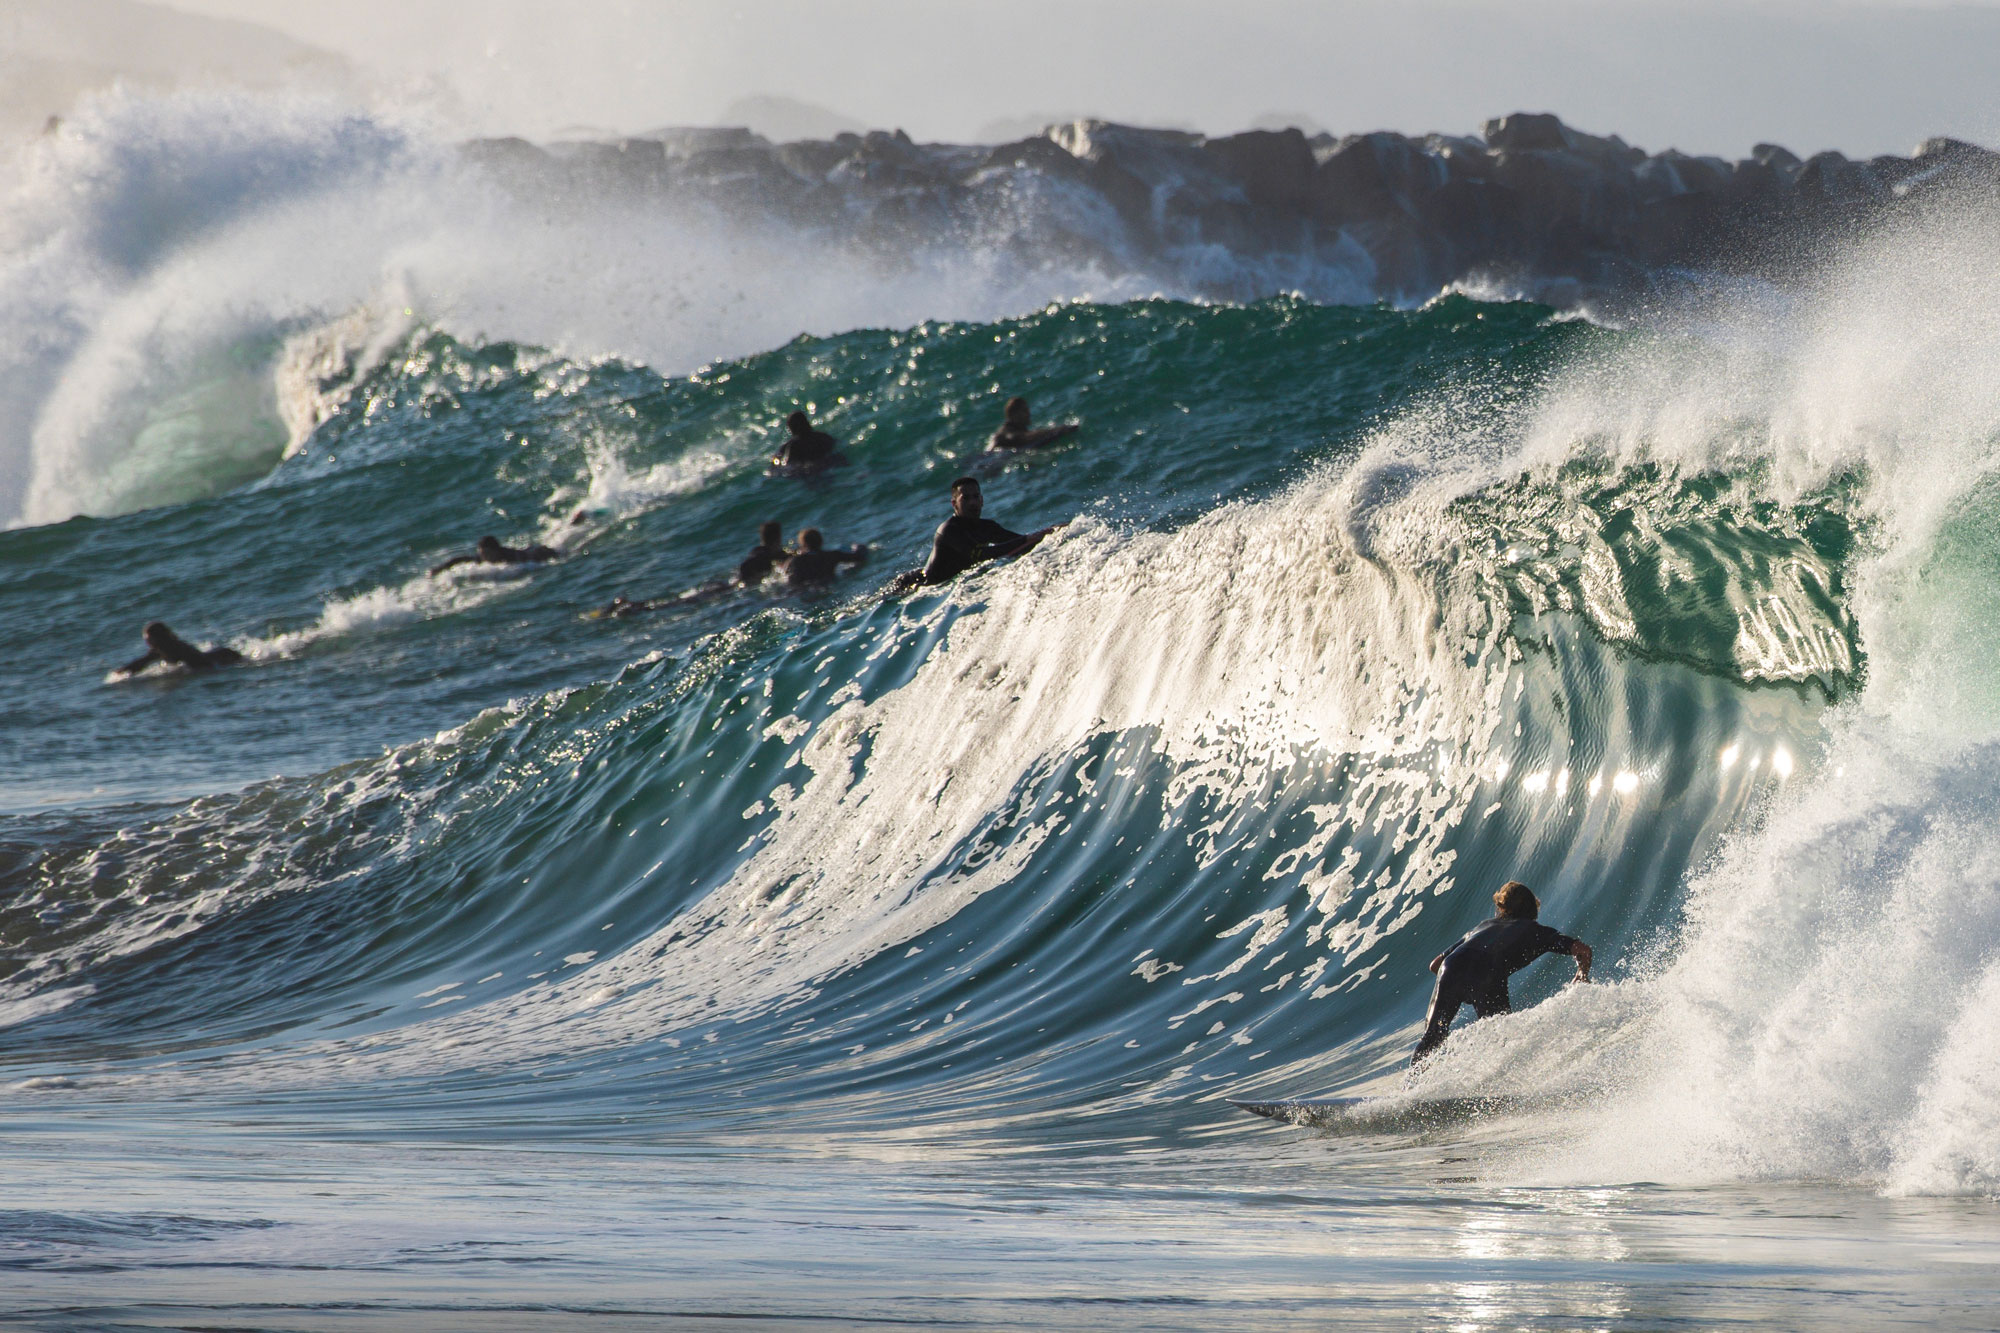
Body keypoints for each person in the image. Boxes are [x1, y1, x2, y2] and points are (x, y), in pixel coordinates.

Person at [1412, 880, 1592, 1065]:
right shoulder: (1536, 932)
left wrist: (1460, 985)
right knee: (1499, 1037)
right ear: (1533, 910)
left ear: (1502, 906)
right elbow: (1582, 950)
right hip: (1487, 969)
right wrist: (1582, 973)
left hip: (1451, 966)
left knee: (1432, 1036)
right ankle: (1496, 1088)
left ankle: (1411, 1088)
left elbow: (1435, 965)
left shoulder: (1482, 926)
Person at [912, 476, 1059, 587]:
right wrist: (1027, 539)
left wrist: (1052, 534)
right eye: (965, 498)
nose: (972, 502)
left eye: (976, 497)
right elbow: (981, 554)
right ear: (954, 504)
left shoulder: (988, 527)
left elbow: (1018, 543)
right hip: (919, 584)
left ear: (982, 500)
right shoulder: (949, 530)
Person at [114, 621, 243, 676]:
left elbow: (203, 664)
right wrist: (120, 673)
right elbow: (142, 662)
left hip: (224, 656)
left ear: (157, 638)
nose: (146, 642)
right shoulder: (160, 649)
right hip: (215, 655)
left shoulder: (176, 648)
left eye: (148, 639)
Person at [430, 535, 560, 576]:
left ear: (494, 550)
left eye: (484, 553)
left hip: (537, 553)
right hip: (529, 552)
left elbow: (529, 564)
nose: (482, 556)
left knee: (561, 551)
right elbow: (460, 559)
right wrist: (441, 568)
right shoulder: (483, 559)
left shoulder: (510, 556)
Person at [785, 527, 869, 588]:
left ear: (803, 545)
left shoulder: (796, 561)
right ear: (821, 541)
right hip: (829, 585)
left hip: (806, 590)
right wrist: (858, 547)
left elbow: (790, 580)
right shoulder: (832, 555)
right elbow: (859, 557)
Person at [988, 396, 1079, 451]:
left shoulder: (1007, 430)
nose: (1028, 414)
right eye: (1024, 411)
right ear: (1014, 414)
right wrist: (1060, 430)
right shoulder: (1006, 433)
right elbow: (1020, 438)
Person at [771, 410, 845, 470]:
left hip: (808, 470)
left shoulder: (791, 446)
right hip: (826, 464)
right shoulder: (822, 437)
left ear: (791, 429)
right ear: (807, 423)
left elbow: (782, 464)